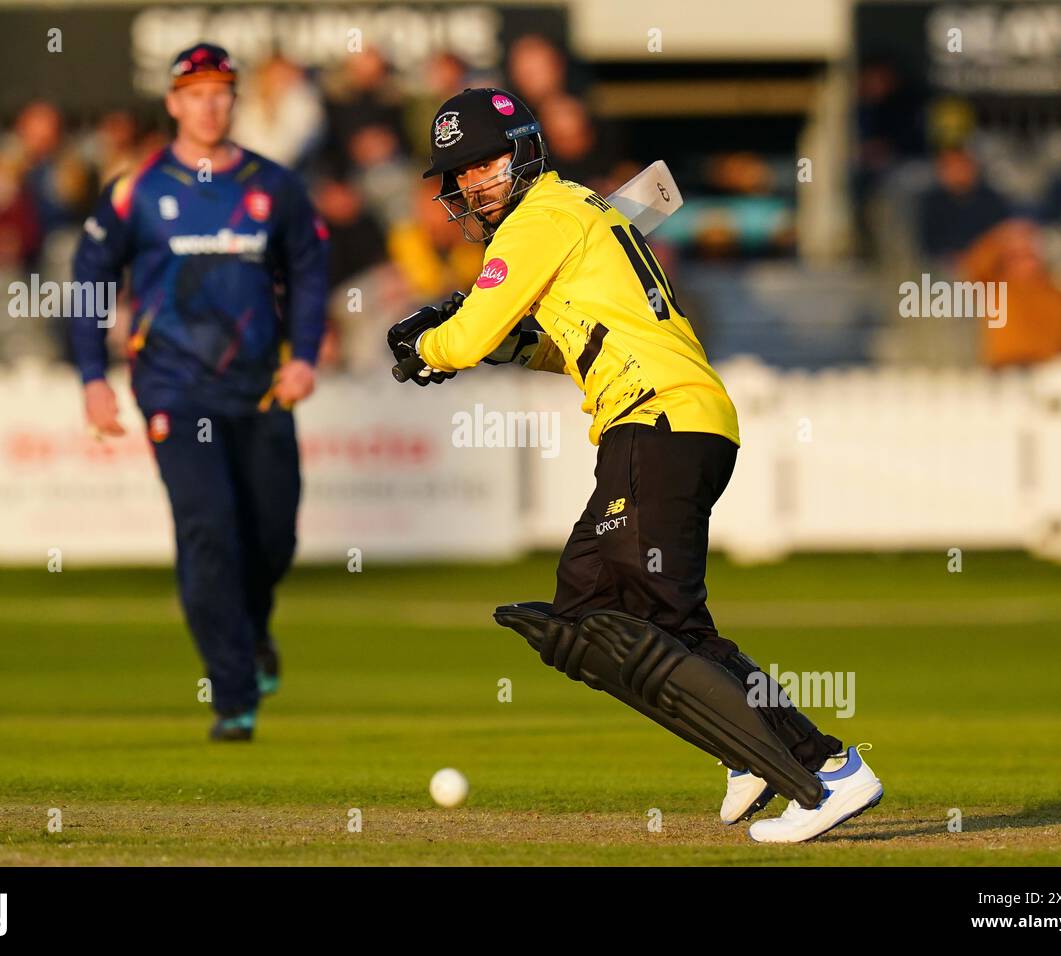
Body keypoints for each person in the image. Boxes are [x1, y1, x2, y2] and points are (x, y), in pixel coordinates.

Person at [386, 87, 883, 843]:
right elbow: (571, 344)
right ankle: (745, 746)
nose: (472, 183)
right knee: (596, 609)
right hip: (675, 424)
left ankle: (828, 771)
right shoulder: (581, 211)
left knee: (649, 620)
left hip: (657, 423)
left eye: (484, 163)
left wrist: (425, 345)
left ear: (521, 152)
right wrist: (498, 342)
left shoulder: (540, 220)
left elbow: (462, 339)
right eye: (460, 173)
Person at [71, 43, 328, 741]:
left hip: (261, 390)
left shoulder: (274, 186)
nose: (210, 105)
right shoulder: (137, 188)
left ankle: (251, 631)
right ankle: (233, 691)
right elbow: (90, 279)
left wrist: (304, 357)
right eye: (196, 93)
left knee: (273, 537)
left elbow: (309, 270)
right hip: (174, 393)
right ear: (174, 103)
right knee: (207, 527)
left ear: (234, 102)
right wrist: (93, 378)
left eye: (222, 93)